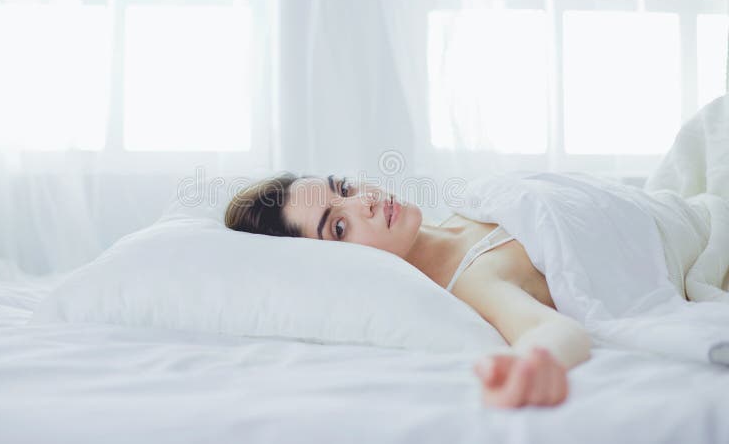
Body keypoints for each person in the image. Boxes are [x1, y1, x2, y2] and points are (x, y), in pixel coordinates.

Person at [224, 172, 592, 409]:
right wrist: (527, 365)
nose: (363, 202)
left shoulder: (465, 208)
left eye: (344, 188)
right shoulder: (472, 280)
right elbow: (553, 330)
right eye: (338, 226)